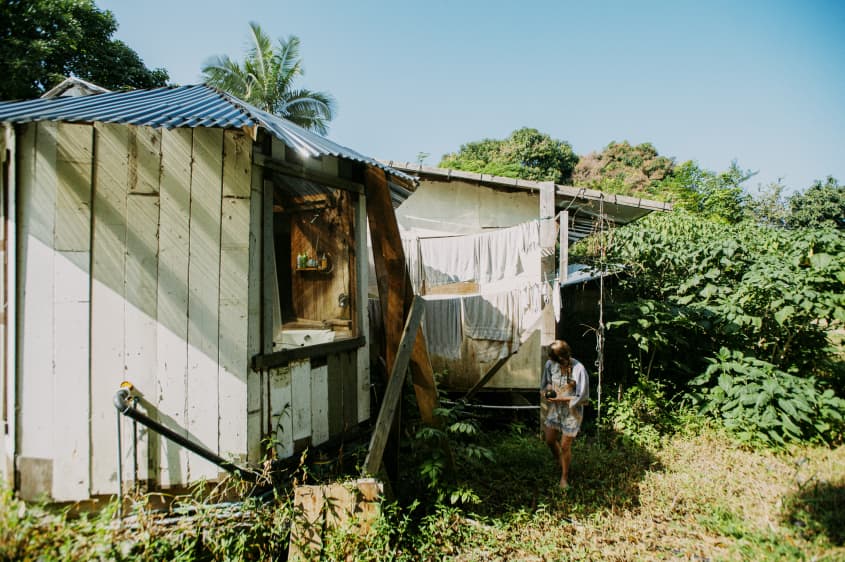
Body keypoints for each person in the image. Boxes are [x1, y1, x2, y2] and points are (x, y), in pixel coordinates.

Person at [540, 339, 589, 489]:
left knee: (565, 446)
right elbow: (546, 383)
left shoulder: (578, 369)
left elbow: (583, 397)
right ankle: (561, 463)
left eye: (555, 360)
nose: (552, 362)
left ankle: (564, 478)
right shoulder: (550, 365)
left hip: (572, 412)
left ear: (562, 358)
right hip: (555, 409)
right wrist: (548, 391)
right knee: (549, 440)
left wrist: (561, 398)